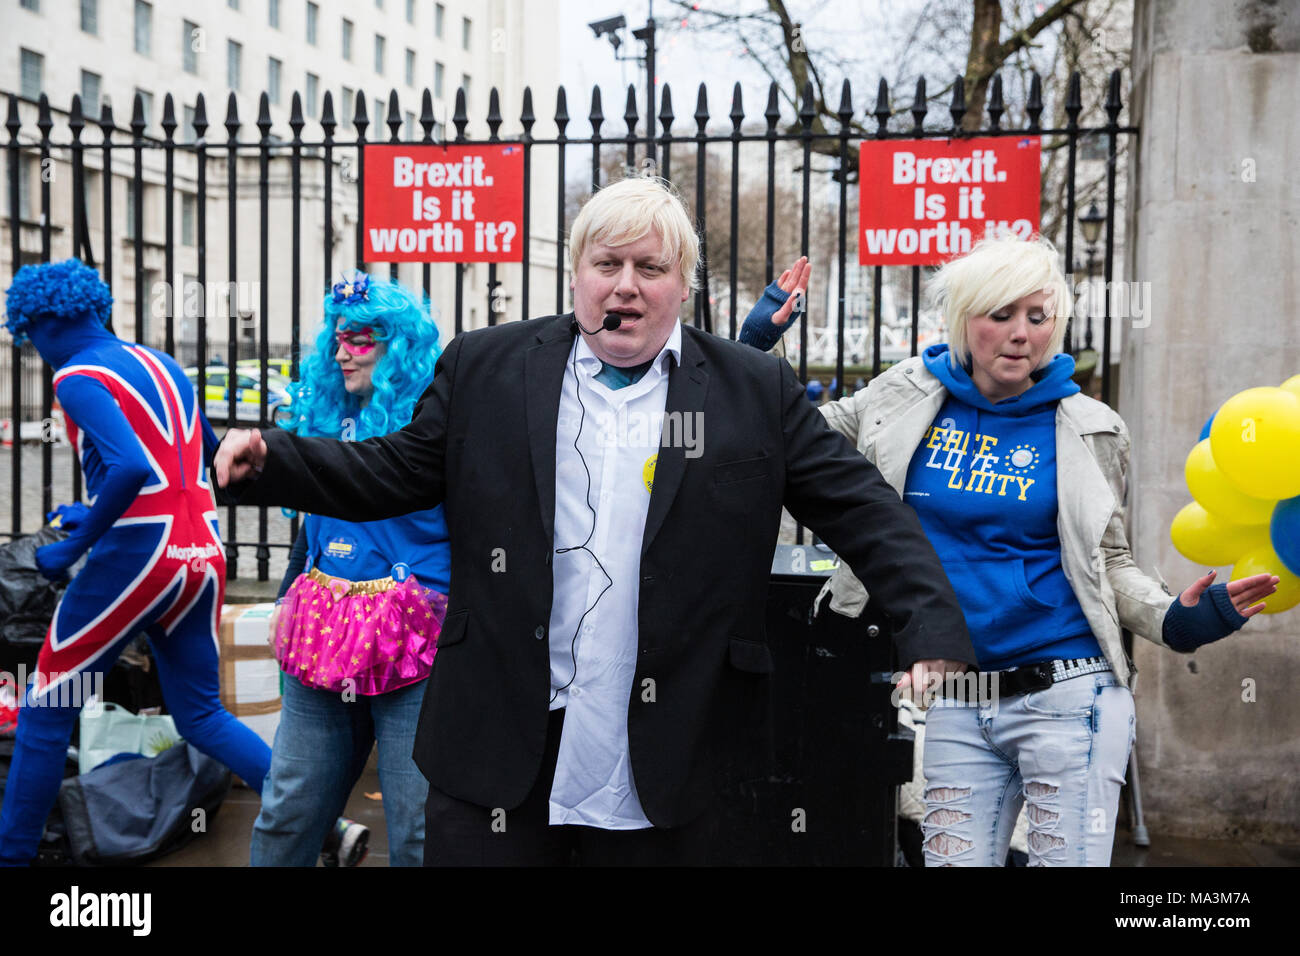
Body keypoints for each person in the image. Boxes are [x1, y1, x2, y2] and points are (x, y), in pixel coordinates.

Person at [215, 176, 975, 866]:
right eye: (608, 265)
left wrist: (930, 624)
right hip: (502, 747)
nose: (627, 287)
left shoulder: (753, 390)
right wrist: (276, 463)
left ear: (683, 286)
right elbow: (397, 470)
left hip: (673, 748)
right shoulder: (488, 367)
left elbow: (863, 507)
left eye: (651, 269)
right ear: (576, 274)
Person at [740, 235, 1279, 866]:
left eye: (1038, 316)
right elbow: (796, 445)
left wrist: (1179, 619)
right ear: (965, 318)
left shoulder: (1091, 425)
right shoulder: (902, 394)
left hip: (1068, 698)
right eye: (1001, 315)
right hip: (957, 702)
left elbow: (1106, 564)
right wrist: (756, 351)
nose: (1022, 334)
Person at [0, 259, 272, 865]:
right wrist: (89, 507)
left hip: (134, 557)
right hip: (202, 550)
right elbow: (199, 452)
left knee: (45, 713)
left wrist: (75, 544)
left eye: (28, 336)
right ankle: (323, 825)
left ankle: (11, 859)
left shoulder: (76, 377)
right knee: (202, 714)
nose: (32, 349)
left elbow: (128, 466)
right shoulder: (163, 364)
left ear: (40, 324)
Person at [250, 272, 450, 867]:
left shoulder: (434, 423)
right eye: (338, 338)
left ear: (399, 345)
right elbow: (311, 523)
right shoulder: (322, 418)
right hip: (321, 634)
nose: (341, 351)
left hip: (417, 640)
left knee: (418, 827)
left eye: (360, 338)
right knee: (288, 812)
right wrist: (287, 596)